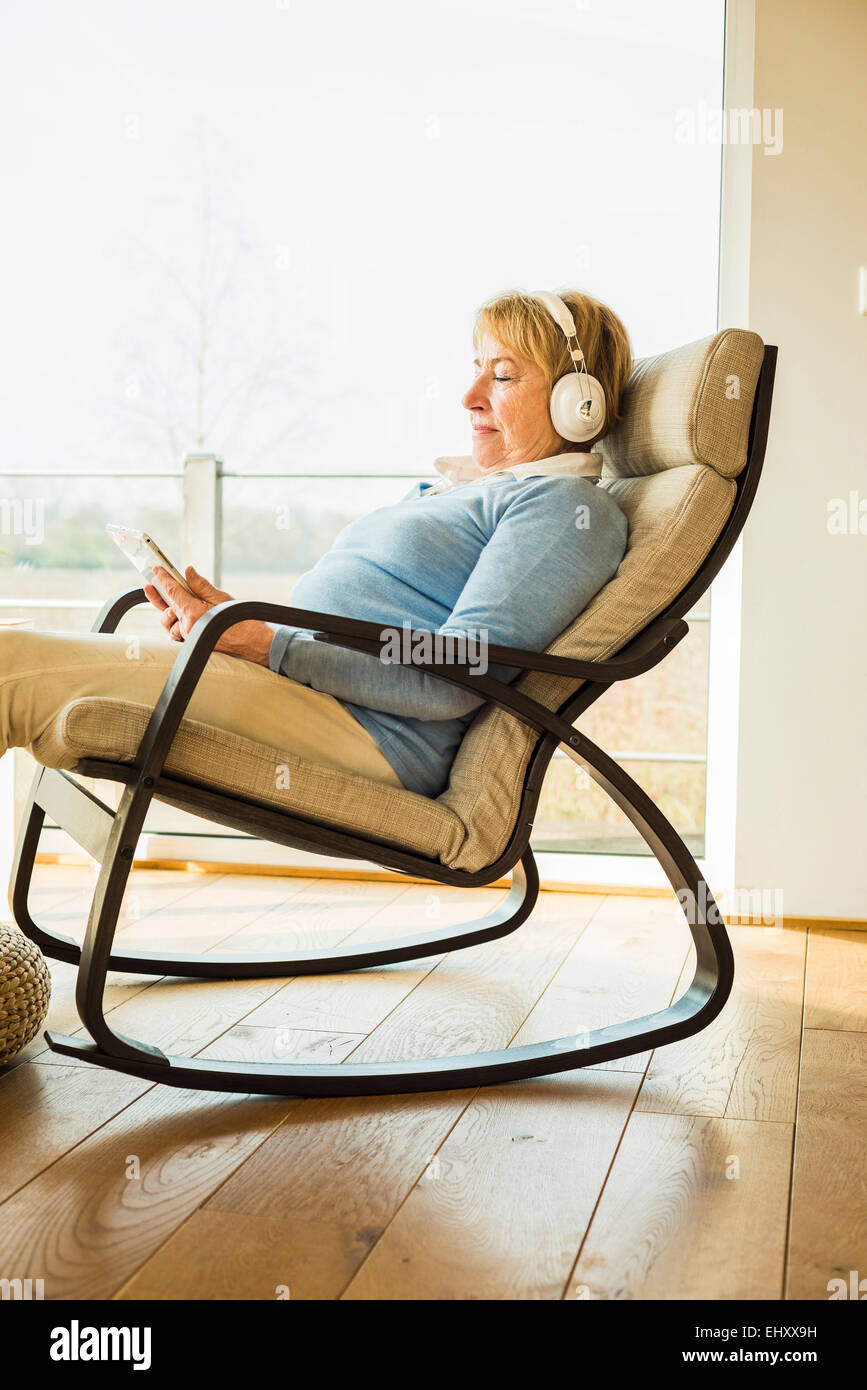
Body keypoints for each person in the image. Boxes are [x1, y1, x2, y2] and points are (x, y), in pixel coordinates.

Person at [0, 288, 632, 799]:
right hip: (306, 690)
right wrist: (242, 629)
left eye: (502, 376)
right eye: (476, 371)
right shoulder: (476, 490)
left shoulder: (564, 508)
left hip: (364, 731)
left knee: (7, 664)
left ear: (578, 403)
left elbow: (457, 670)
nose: (469, 399)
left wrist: (267, 643)